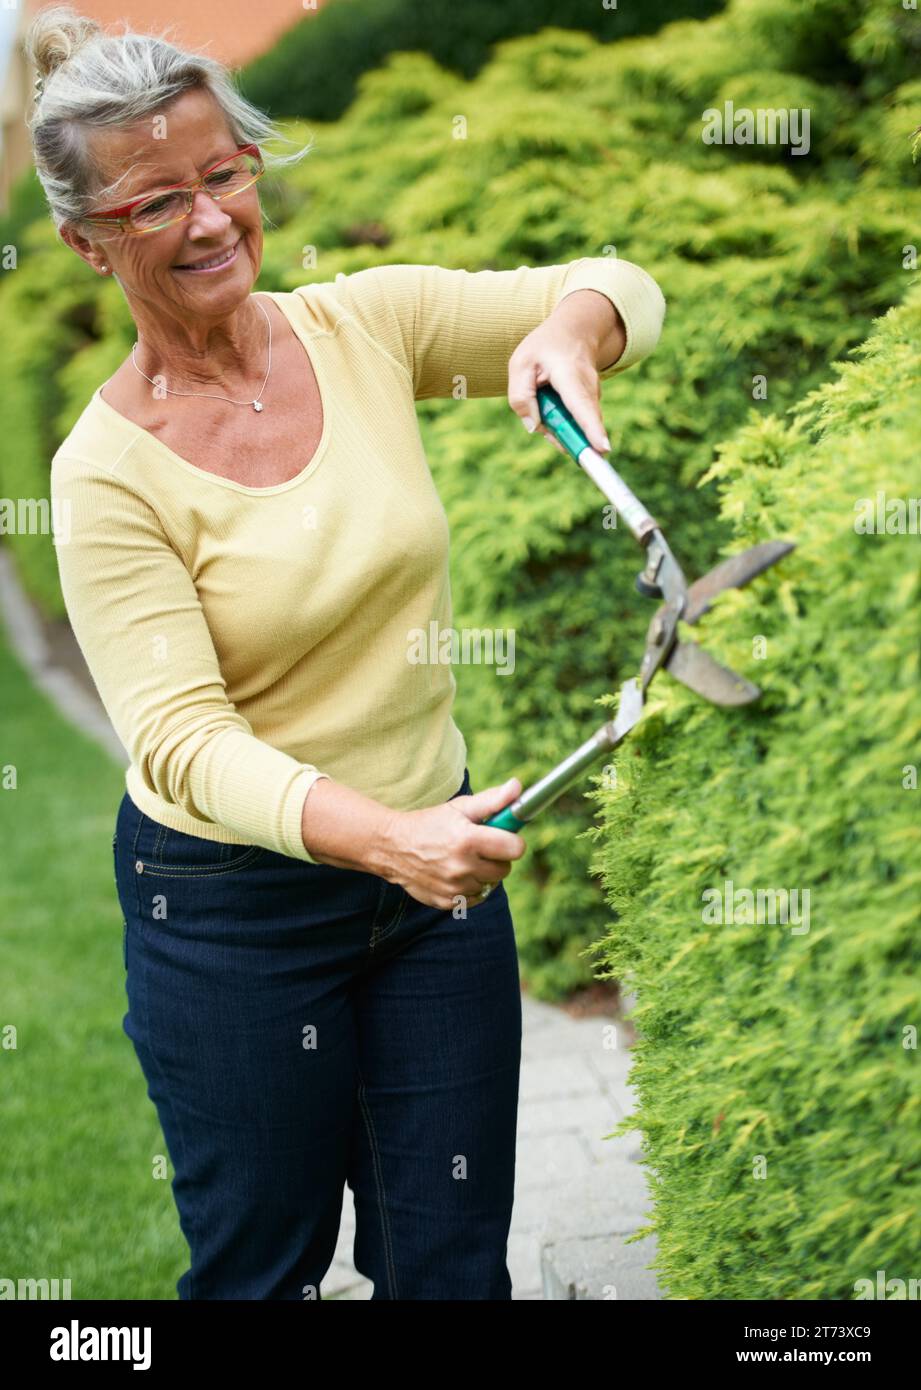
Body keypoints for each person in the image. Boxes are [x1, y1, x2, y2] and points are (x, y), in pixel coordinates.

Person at [28, 5, 667, 1299]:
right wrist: (391, 839)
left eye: (223, 176)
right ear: (85, 241)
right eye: (155, 204)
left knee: (450, 1263)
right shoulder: (103, 474)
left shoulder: (360, 326)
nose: (210, 221)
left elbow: (616, 282)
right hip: (231, 914)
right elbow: (182, 740)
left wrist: (573, 327)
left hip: (428, 904)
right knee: (260, 1269)